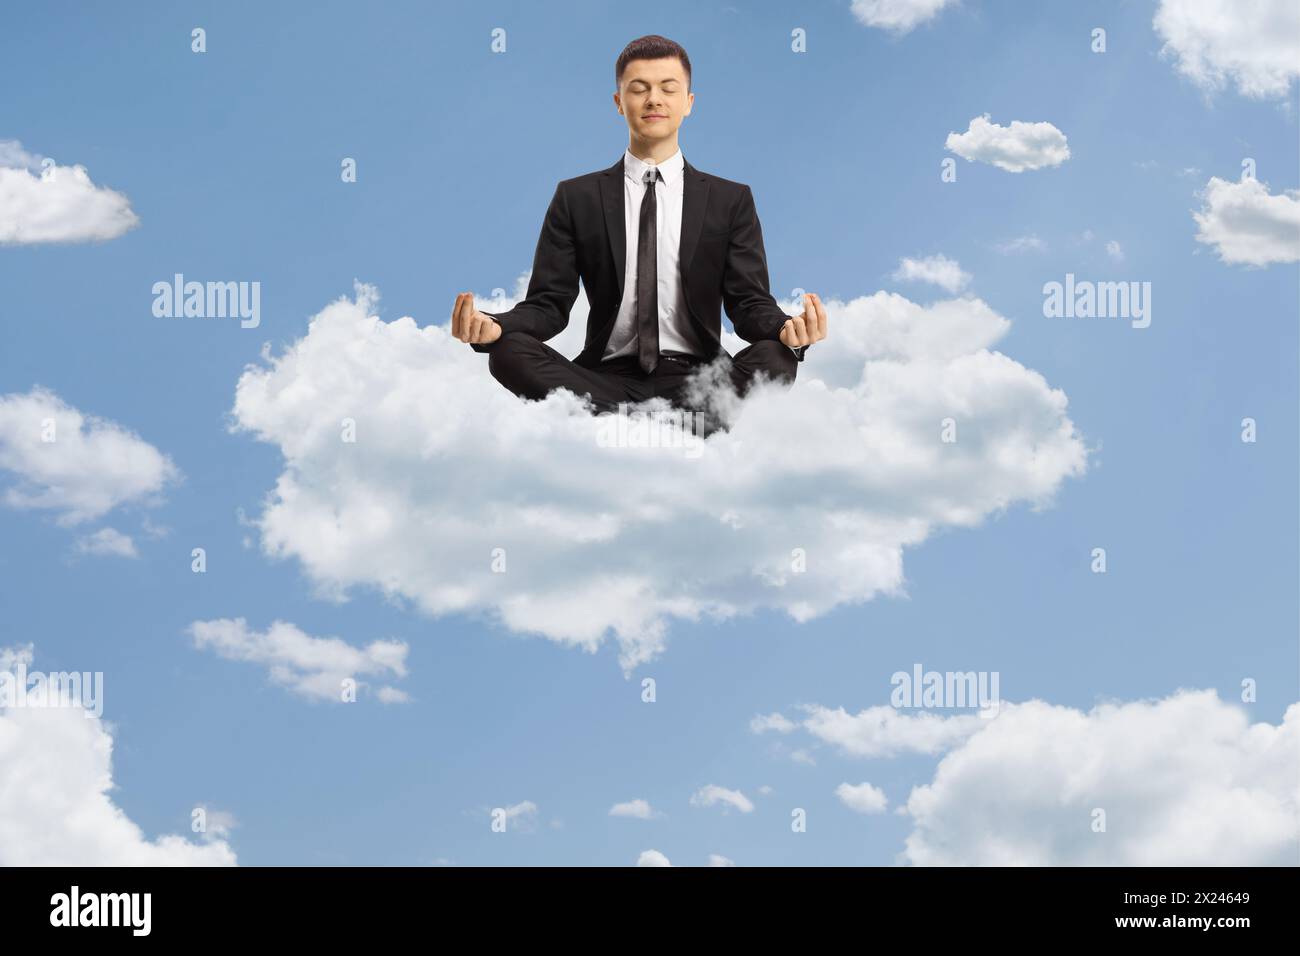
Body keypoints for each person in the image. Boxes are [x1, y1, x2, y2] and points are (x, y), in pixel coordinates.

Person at [450, 34, 828, 418]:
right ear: (619, 102)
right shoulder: (575, 197)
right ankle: (675, 423)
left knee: (778, 358)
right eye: (639, 89)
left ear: (688, 104)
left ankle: (622, 421)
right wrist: (496, 326)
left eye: (668, 88)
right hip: (604, 375)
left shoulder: (731, 200)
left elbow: (748, 304)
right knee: (508, 355)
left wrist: (786, 329)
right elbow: (548, 305)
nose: (654, 100)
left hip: (703, 376)